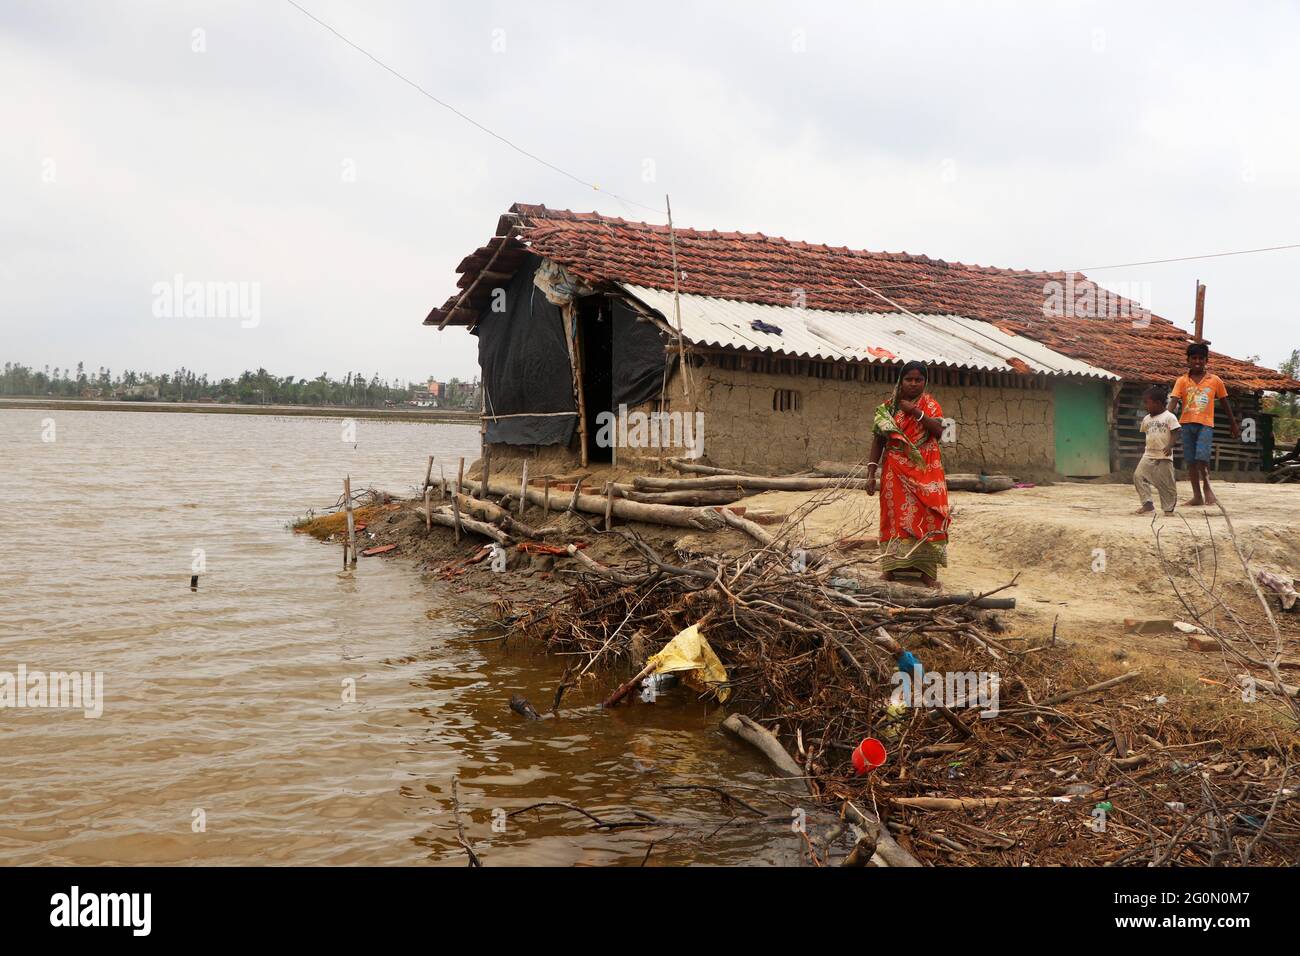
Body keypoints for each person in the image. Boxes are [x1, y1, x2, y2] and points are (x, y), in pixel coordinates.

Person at [864, 361, 950, 588]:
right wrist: (871, 472)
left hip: (926, 471)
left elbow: (941, 432)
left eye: (918, 380)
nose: (913, 384)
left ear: (925, 382)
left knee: (928, 516)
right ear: (901, 381)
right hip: (895, 471)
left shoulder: (931, 406)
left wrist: (915, 413)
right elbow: (878, 440)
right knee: (895, 518)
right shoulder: (888, 408)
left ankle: (927, 571)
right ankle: (891, 568)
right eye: (909, 379)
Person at [1169, 342, 1239, 506]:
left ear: (1207, 360)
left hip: (1205, 424)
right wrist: (1165, 417)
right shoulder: (1182, 381)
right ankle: (1197, 496)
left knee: (1202, 457)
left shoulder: (1215, 380)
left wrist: (1233, 424)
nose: (1197, 361)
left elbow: (1225, 403)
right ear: (1188, 360)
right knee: (1191, 461)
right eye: (1194, 358)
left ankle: (1207, 488)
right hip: (1186, 424)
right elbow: (1173, 401)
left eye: (1201, 358)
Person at [1134, 385, 1180, 515]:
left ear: (1158, 403)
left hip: (1164, 456)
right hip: (1148, 454)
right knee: (1138, 476)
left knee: (1166, 484)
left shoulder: (1169, 417)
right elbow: (1147, 434)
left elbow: (1176, 431)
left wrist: (1170, 446)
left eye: (1147, 403)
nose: (1145, 406)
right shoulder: (1146, 419)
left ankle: (1168, 509)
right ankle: (1147, 504)